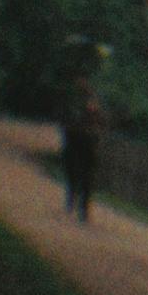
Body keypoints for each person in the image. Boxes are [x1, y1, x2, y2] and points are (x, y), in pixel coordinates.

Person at [58, 75, 105, 222]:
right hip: (74, 139)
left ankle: (83, 207)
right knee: (72, 170)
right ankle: (73, 196)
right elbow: (65, 119)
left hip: (87, 142)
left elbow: (99, 123)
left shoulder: (93, 100)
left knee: (87, 175)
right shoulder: (73, 100)